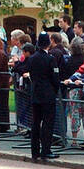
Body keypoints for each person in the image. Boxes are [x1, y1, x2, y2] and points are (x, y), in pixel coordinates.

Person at [25, 31, 61, 160]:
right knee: (47, 123)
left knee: (35, 123)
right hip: (48, 94)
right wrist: (55, 90)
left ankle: (35, 151)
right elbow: (55, 78)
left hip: (35, 93)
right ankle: (46, 149)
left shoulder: (32, 58)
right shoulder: (50, 59)